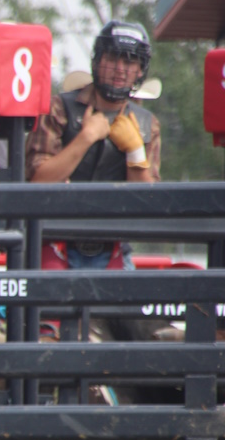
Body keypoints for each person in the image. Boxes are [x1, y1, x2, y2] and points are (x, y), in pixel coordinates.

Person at [25, 20, 161, 272]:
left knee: (127, 306)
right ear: (98, 61)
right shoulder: (58, 108)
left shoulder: (147, 124)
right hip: (54, 242)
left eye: (130, 62)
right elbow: (38, 180)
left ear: (141, 70)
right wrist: (85, 137)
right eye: (113, 59)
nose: (120, 69)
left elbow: (148, 204)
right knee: (44, 306)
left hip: (114, 247)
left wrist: (135, 152)